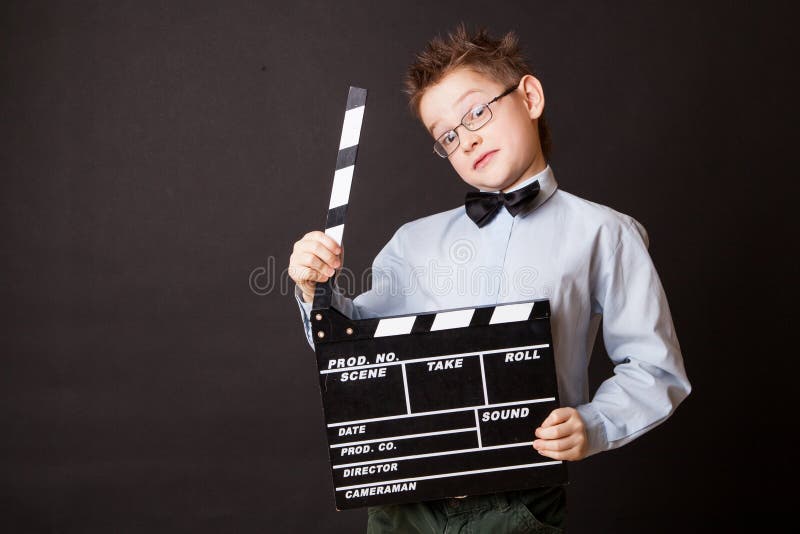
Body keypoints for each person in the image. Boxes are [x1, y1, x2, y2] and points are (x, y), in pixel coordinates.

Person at [287, 23, 691, 533]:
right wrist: (315, 290)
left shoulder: (605, 234)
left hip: (517, 501)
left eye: (477, 111)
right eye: (447, 136)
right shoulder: (413, 241)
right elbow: (355, 347)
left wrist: (593, 424)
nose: (467, 138)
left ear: (530, 97)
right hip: (407, 497)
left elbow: (655, 368)